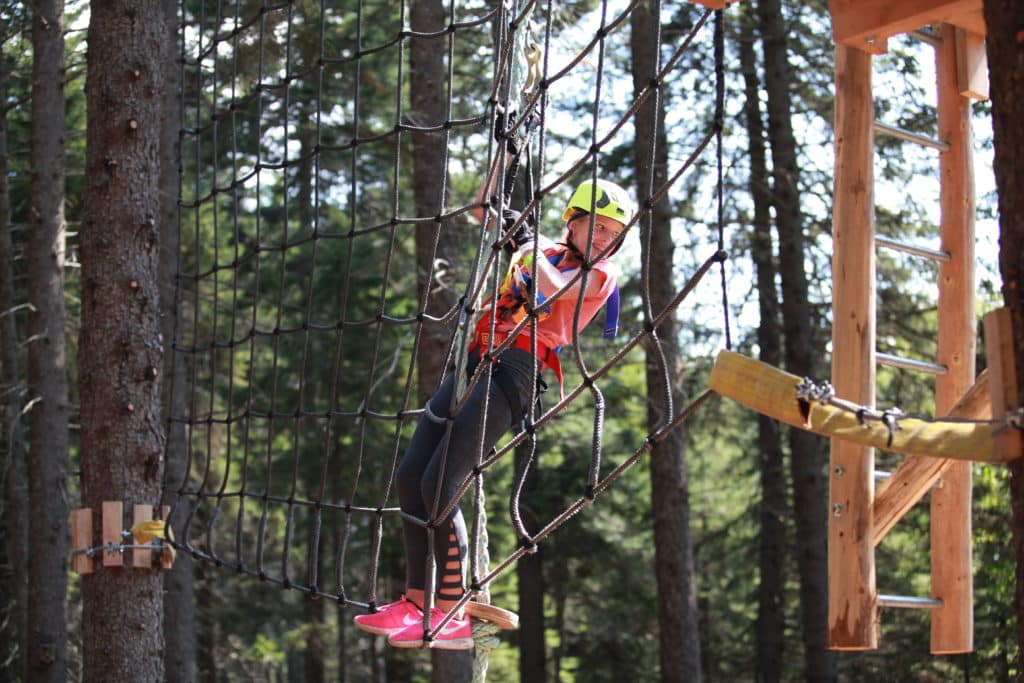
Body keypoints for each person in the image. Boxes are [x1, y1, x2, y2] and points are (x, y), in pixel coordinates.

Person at [353, 173, 634, 650]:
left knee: (441, 485)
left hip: (517, 370)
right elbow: (484, 208)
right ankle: (416, 602)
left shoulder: (601, 276)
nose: (605, 239)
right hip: (477, 361)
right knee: (410, 478)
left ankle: (452, 612)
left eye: (613, 232)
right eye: (598, 226)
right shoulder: (541, 247)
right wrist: (504, 147)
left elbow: (551, 291)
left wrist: (525, 248)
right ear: (574, 222)